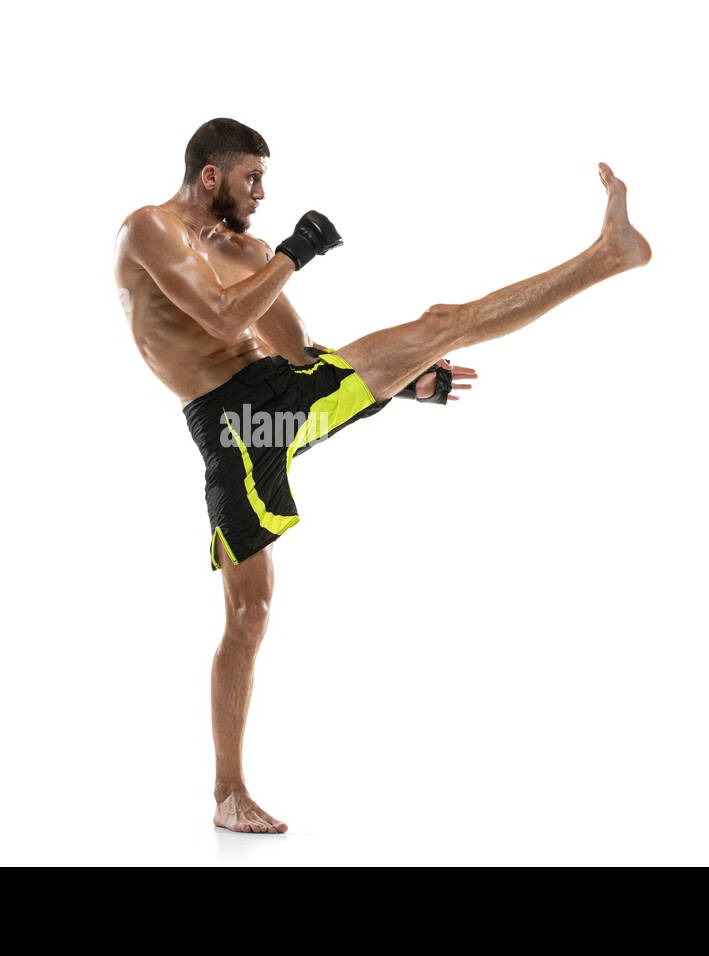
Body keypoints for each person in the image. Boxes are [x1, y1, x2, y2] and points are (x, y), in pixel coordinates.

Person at [112, 118, 651, 834]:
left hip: (273, 405)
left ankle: (608, 256)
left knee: (439, 324)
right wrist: (296, 253)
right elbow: (217, 319)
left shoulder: (244, 251)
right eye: (252, 179)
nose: (262, 194)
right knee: (249, 615)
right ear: (209, 177)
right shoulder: (148, 230)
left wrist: (396, 385)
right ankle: (228, 794)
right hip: (236, 430)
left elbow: (299, 356)